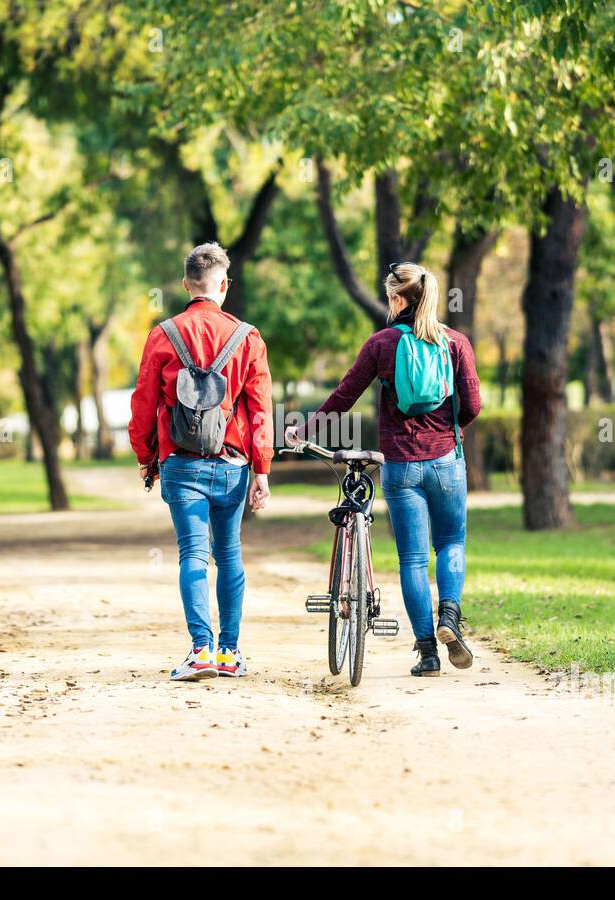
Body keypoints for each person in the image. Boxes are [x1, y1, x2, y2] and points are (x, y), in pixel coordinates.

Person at [289, 262, 481, 677]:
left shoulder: (381, 344)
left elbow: (343, 397)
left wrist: (303, 431)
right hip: (447, 461)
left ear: (397, 299)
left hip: (401, 465)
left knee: (412, 559)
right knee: (450, 544)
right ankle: (449, 616)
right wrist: (448, 433)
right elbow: (474, 406)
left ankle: (427, 652)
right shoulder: (456, 343)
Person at [128, 242, 273, 681]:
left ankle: (201, 651)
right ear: (223, 285)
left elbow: (143, 402)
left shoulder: (163, 335)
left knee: (192, 554)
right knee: (228, 555)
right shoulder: (248, 337)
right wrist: (262, 469)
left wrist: (145, 455)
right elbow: (261, 407)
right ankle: (230, 653)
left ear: (185, 284)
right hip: (232, 464)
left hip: (181, 462)